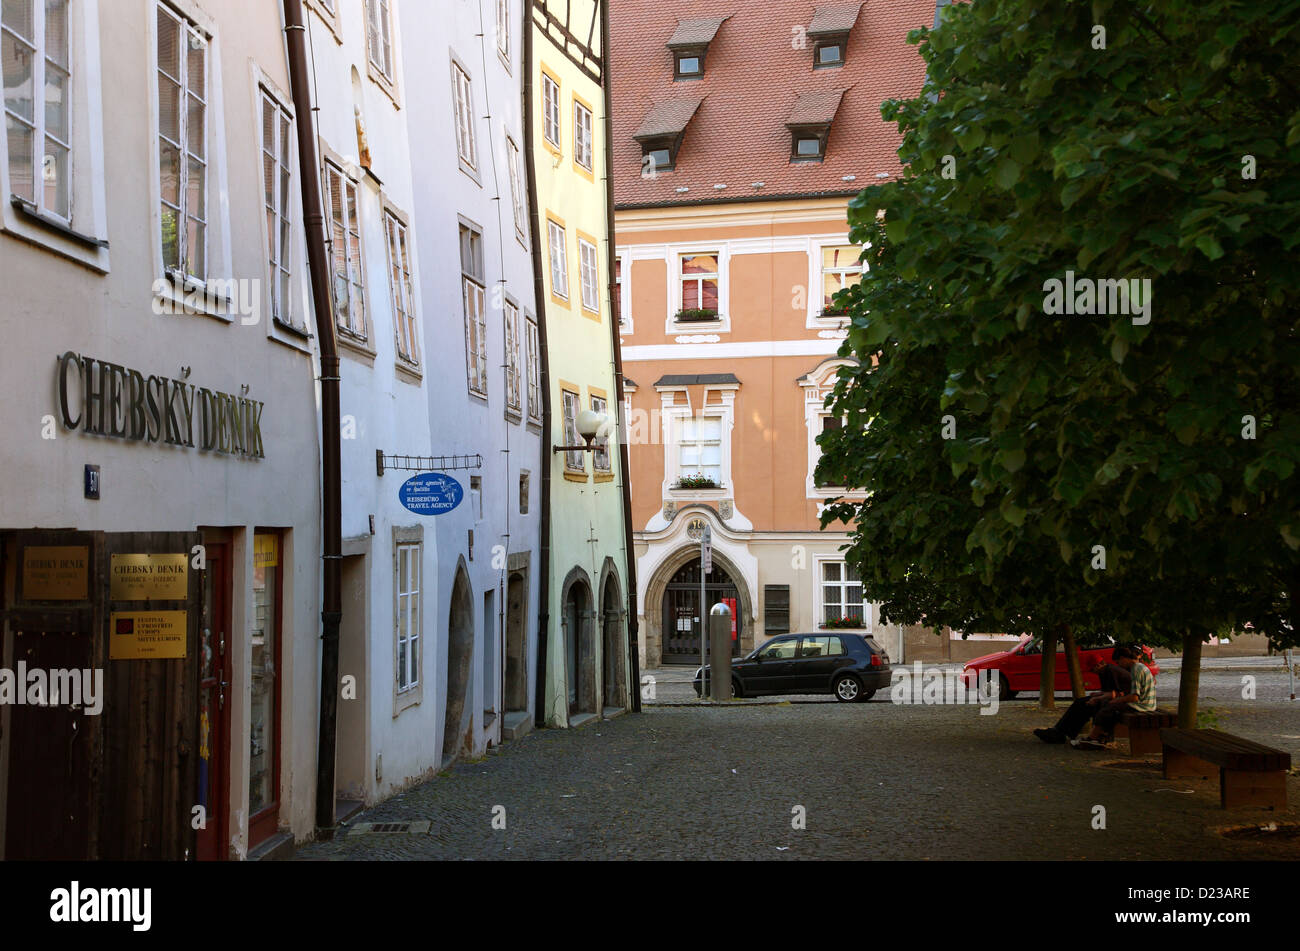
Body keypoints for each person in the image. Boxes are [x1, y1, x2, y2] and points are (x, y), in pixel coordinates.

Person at [1033, 651, 1132, 744]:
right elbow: (1109, 692)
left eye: (1093, 669)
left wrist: (1097, 699)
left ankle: (1062, 732)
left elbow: (1115, 694)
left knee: (1084, 705)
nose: (1093, 672)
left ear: (1098, 665)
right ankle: (1061, 731)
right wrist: (1097, 695)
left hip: (1122, 702)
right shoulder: (1105, 671)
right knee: (1080, 702)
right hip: (1117, 700)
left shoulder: (1110, 671)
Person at [1071, 646, 1156, 750]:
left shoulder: (1136, 670)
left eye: (1118, 662)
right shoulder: (1139, 667)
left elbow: (1134, 697)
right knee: (1110, 705)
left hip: (1143, 705)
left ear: (1123, 658)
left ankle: (1093, 738)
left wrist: (1117, 700)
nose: (1119, 665)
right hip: (1147, 703)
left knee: (1109, 708)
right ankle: (1101, 737)